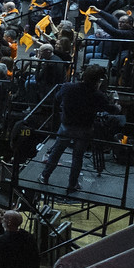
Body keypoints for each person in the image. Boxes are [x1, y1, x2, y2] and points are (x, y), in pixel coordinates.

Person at [39, 65, 111, 194]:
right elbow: (109, 109)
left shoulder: (68, 87)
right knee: (78, 157)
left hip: (67, 126)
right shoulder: (98, 95)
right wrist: (116, 106)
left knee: (56, 152)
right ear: (98, 81)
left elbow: (57, 97)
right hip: (85, 129)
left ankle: (45, 176)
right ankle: (72, 184)